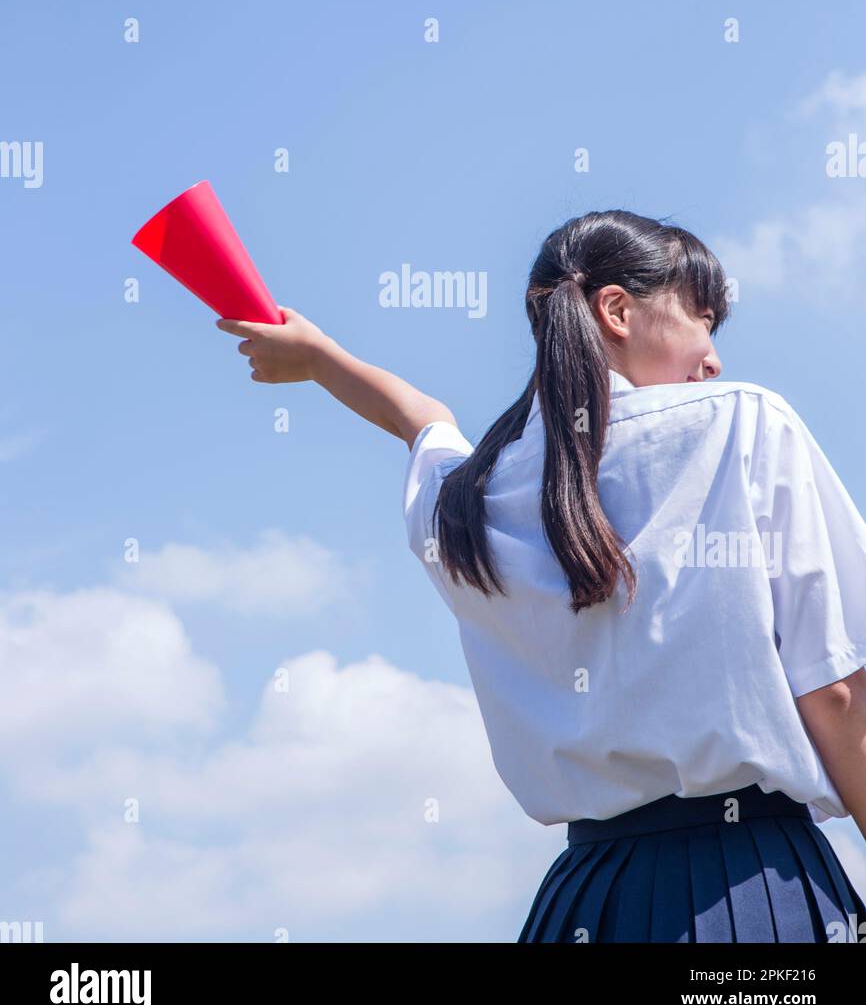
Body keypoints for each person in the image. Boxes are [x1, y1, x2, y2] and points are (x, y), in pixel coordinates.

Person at [216, 208, 866, 944]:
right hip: (753, 887)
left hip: (585, 901)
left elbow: (421, 422)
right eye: (702, 319)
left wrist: (318, 358)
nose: (712, 356)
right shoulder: (745, 423)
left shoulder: (464, 499)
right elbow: (838, 692)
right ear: (617, 310)